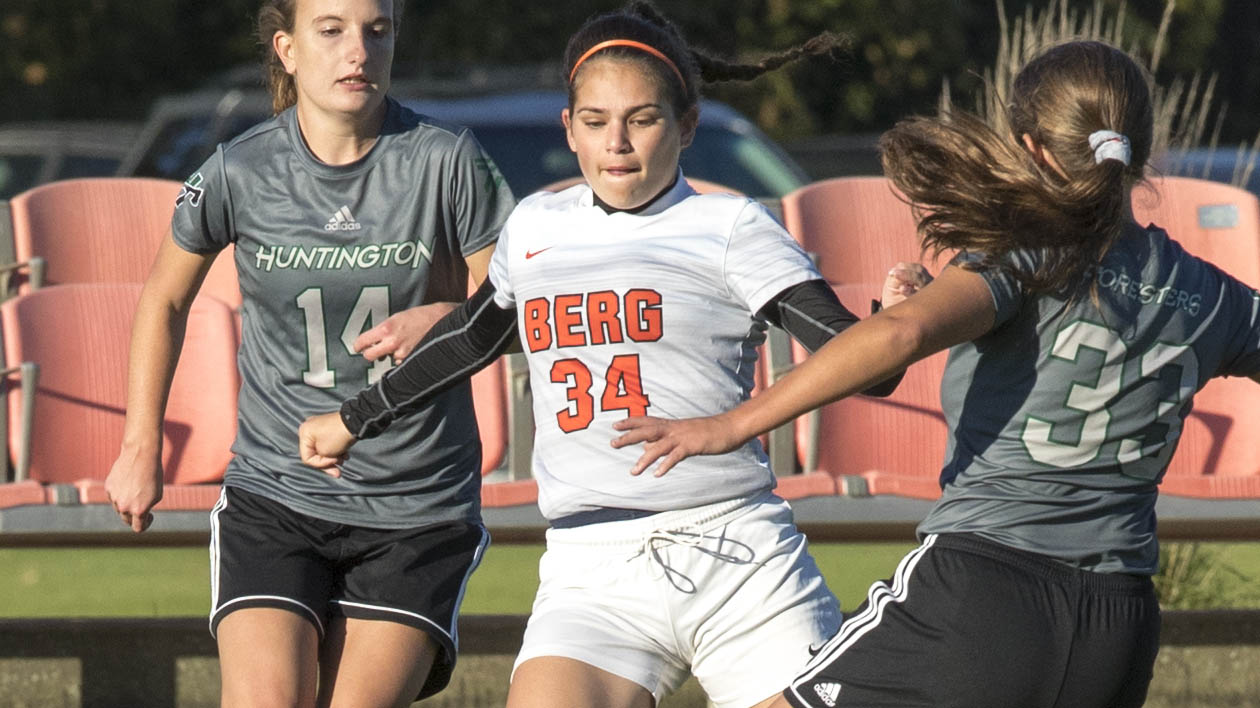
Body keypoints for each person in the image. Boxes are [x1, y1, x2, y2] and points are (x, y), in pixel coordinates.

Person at [297, 3, 926, 706]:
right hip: (590, 570)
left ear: (686, 126)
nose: (617, 142)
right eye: (595, 121)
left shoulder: (730, 227)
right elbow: (475, 336)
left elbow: (868, 363)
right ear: (569, 129)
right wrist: (354, 416)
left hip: (739, 559)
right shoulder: (536, 226)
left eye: (643, 119)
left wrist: (894, 321)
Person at [611, 39, 1260, 708]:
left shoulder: (1025, 258)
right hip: (1119, 621)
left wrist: (731, 424)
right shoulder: (1213, 296)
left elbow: (902, 332)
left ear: (1032, 148)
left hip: (986, 593)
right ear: (1143, 148)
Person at [103, 0, 515, 705]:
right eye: (332, 30)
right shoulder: (239, 169)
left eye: (376, 32)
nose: (358, 50)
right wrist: (141, 443)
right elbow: (164, 300)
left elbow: (512, 307)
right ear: (289, 50)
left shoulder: (449, 161)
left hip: (416, 505)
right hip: (276, 494)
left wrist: (444, 316)